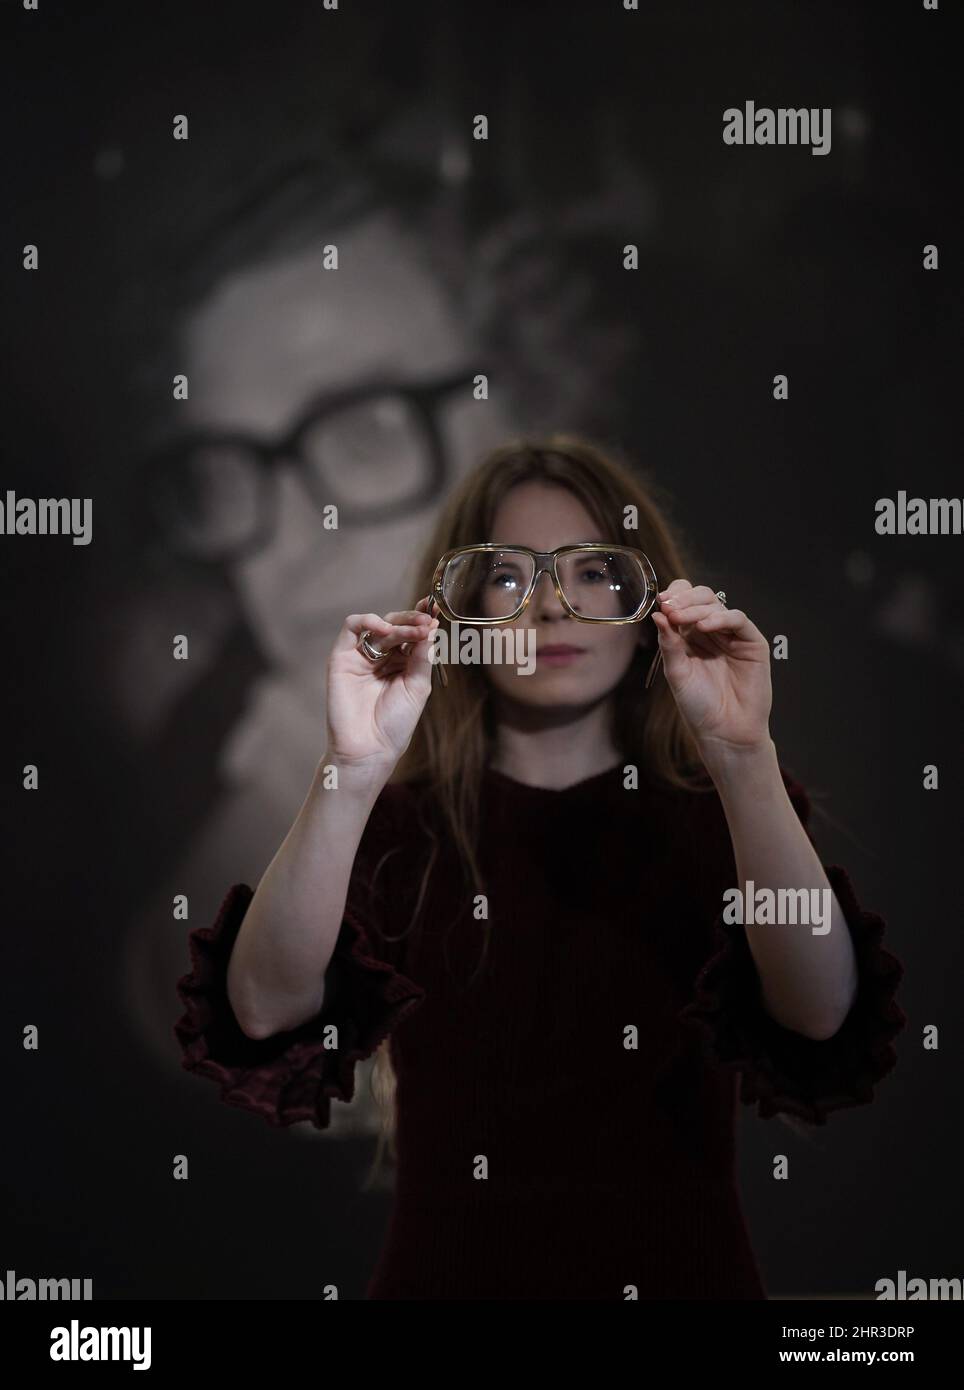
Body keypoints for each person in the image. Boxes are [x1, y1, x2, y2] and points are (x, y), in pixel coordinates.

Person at [174, 437, 905, 1300]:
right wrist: (354, 769)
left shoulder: (714, 811)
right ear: (465, 612)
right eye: (514, 576)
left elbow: (820, 1012)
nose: (554, 609)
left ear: (647, 612)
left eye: (594, 571)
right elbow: (262, 1009)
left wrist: (742, 754)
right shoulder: (403, 823)